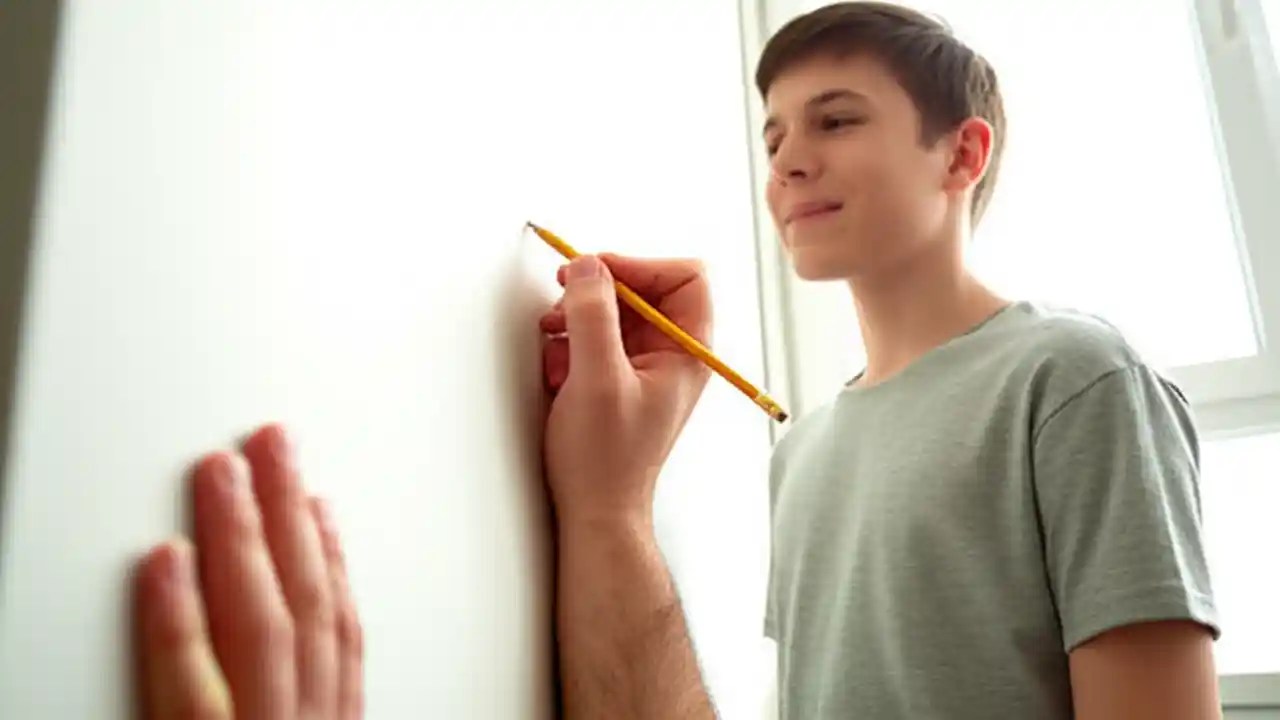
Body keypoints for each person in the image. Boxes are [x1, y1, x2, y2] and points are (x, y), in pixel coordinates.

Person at [133, 2, 1224, 718]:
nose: (790, 160)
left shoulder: (1073, 379)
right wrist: (607, 502)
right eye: (773, 136)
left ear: (961, 151)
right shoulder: (806, 447)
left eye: (834, 121)